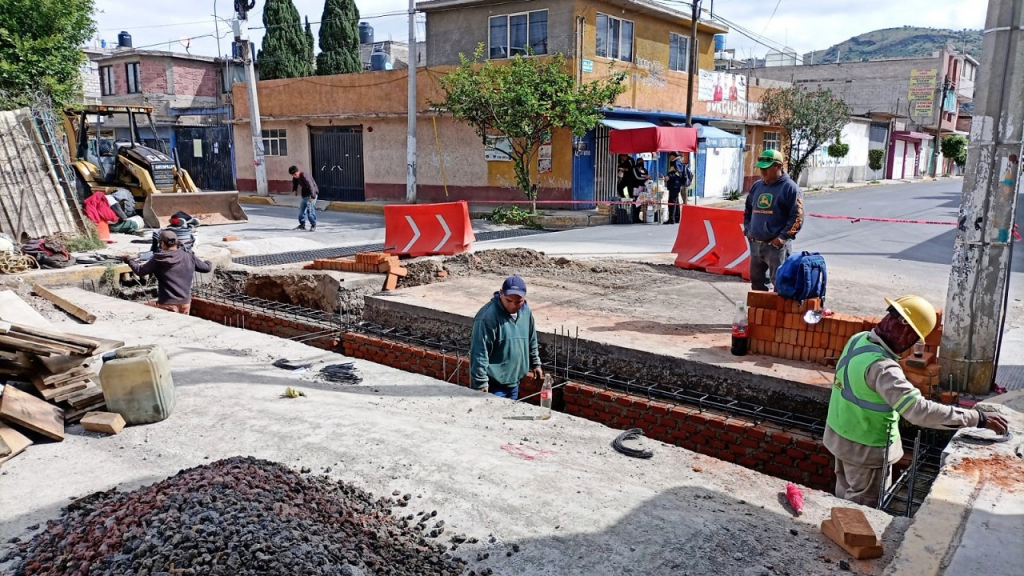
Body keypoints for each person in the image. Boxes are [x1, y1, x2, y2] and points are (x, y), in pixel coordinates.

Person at [825, 295, 1009, 506]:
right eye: (914, 338)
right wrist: (977, 418)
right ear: (908, 333)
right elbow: (919, 411)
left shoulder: (858, 339)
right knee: (861, 515)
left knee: (842, 500)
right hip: (867, 452)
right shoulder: (884, 368)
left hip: (838, 440)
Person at [469, 276, 544, 400]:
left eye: (518, 301)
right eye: (509, 300)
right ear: (501, 293)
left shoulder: (526, 312)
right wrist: (480, 382)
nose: (513, 305)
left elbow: (531, 338)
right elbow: (479, 352)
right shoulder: (487, 317)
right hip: (494, 385)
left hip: (514, 382)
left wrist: (535, 363)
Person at [743, 149, 804, 291]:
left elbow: (797, 217)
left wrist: (782, 238)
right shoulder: (757, 186)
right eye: (760, 168)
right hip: (756, 245)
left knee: (781, 284)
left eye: (766, 168)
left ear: (778, 166)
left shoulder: (790, 188)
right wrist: (748, 230)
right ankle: (760, 312)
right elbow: (748, 210)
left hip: (776, 248)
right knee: (757, 282)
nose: (762, 172)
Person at [122, 230, 212, 315]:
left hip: (167, 303)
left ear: (162, 244)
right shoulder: (189, 256)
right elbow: (207, 268)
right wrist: (208, 261)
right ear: (177, 242)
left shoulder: (158, 259)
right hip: (185, 303)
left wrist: (129, 260)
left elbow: (139, 271)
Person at [664, 151, 693, 225]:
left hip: (675, 185)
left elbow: (678, 174)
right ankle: (676, 218)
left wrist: (669, 177)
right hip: (674, 185)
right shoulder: (675, 162)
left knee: (671, 202)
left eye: (670, 156)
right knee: (675, 202)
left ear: (673, 156)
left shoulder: (676, 162)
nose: (670, 158)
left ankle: (672, 218)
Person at [289, 165, 318, 231]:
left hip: (312, 195)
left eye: (295, 174)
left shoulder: (304, 176)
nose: (295, 176)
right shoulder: (296, 177)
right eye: (293, 175)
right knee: (301, 212)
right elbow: (295, 183)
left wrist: (313, 196)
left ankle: (313, 225)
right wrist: (295, 190)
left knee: (310, 211)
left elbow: (311, 185)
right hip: (304, 195)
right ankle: (302, 225)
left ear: (298, 171)